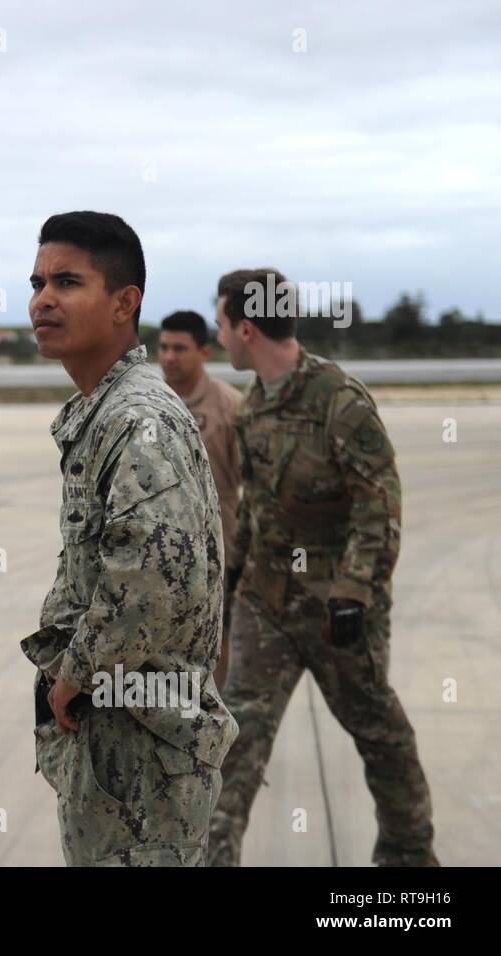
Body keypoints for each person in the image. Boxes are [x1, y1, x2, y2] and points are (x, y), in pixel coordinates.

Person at [20, 211, 237, 866]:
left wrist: (76, 675)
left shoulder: (137, 417)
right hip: (125, 732)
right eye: (36, 282)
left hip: (140, 746)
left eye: (66, 281)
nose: (43, 299)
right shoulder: (109, 411)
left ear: (124, 303)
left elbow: (148, 583)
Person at [207, 268, 438, 867]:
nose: (218, 337)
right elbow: (256, 507)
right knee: (238, 736)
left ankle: (408, 860)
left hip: (339, 609)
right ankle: (211, 858)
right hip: (267, 602)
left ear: (247, 327)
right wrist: (233, 578)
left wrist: (355, 591)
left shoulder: (339, 401)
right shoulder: (253, 405)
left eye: (221, 324)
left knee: (379, 733)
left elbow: (379, 504)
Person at [159, 310, 244, 689]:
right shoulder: (148, 404)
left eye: (180, 348)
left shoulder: (230, 408)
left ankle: (216, 727)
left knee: (215, 644)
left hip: (216, 548)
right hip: (155, 550)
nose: (170, 357)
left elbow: (255, 485)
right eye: (163, 347)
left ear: (204, 351)